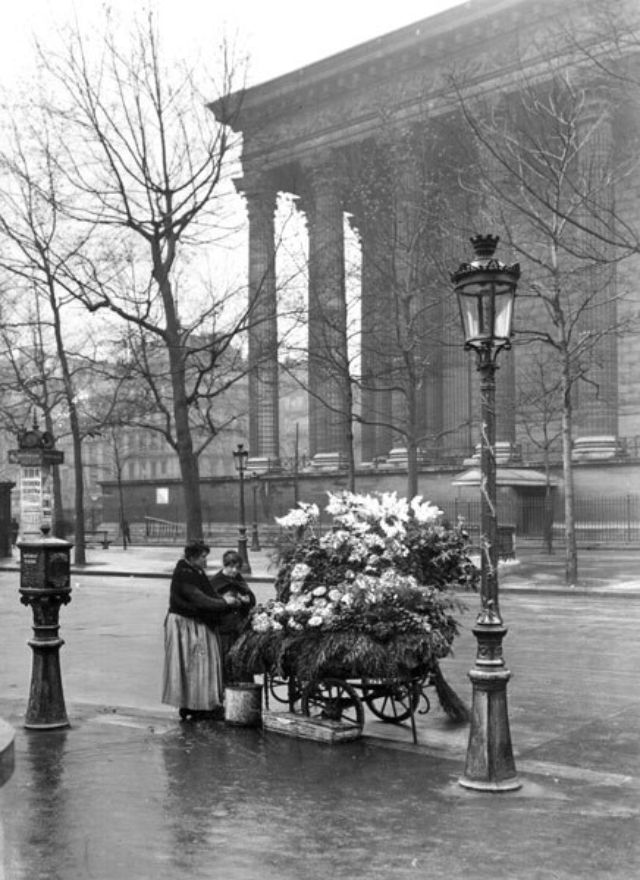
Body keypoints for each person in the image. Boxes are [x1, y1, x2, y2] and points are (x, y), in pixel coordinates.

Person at [162, 540, 240, 721]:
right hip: (186, 624)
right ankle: (194, 706)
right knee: (194, 665)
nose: (206, 560)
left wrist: (224, 599)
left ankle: (198, 705)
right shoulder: (184, 573)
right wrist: (224, 602)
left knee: (197, 665)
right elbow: (200, 599)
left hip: (194, 622)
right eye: (203, 557)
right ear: (192, 557)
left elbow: (209, 594)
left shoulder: (195, 570)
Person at [209, 550, 256, 683]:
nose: (234, 571)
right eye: (231, 567)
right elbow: (210, 604)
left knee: (242, 660)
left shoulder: (238, 579)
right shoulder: (215, 582)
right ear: (225, 565)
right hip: (224, 629)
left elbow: (251, 598)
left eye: (237, 568)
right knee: (226, 661)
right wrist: (224, 601)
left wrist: (247, 600)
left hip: (240, 628)